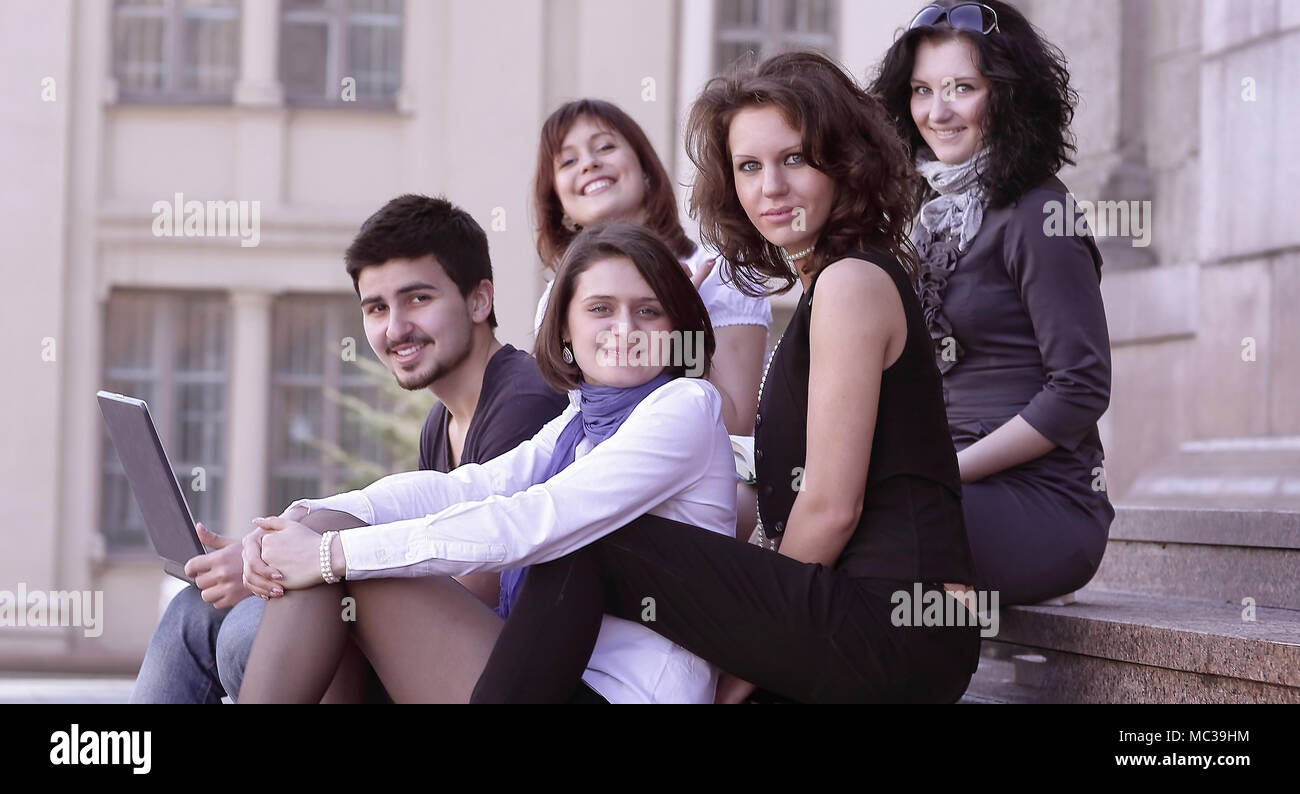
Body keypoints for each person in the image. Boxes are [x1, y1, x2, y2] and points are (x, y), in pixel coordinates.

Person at [468, 51, 981, 704]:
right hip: (877, 615)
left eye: (794, 158)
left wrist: (739, 673)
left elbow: (830, 507)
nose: (771, 186)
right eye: (748, 166)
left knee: (590, 538)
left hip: (892, 623)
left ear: (844, 160)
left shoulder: (851, 283)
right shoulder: (836, 284)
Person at [238, 221, 738, 704]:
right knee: (327, 535)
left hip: (615, 695)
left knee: (346, 569)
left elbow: (532, 521)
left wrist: (330, 553)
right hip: (543, 673)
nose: (625, 329)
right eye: (601, 309)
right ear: (565, 326)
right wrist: (301, 517)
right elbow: (471, 487)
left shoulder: (685, 406)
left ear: (675, 326)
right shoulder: (579, 421)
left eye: (648, 311)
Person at [128, 194, 567, 703]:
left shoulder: (524, 400)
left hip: (489, 670)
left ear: (478, 301)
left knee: (238, 628)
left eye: (418, 299)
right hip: (410, 643)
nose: (395, 328)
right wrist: (266, 559)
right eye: (377, 308)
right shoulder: (440, 422)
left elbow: (474, 591)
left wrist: (286, 570)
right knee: (194, 610)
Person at [869, 0, 1113, 605]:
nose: (937, 111)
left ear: (1006, 95)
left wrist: (946, 472)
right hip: (940, 482)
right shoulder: (923, 217)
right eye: (922, 90)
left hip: (1043, 503)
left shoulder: (1038, 214)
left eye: (961, 88)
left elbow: (1080, 387)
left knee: (871, 525)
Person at [532, 99, 770, 438]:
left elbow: (733, 425)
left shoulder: (722, 274)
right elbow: (584, 418)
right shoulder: (555, 300)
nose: (589, 163)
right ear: (559, 204)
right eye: (568, 160)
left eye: (605, 147)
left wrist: (684, 319)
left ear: (645, 171)